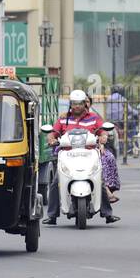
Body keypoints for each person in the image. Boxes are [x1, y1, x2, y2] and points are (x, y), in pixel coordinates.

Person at [45, 89, 117, 225]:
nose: (77, 106)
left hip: (88, 154)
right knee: (56, 182)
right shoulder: (63, 118)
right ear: (70, 104)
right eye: (74, 103)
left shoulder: (94, 118)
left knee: (99, 181)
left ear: (85, 103)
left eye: (79, 103)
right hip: (67, 154)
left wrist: (103, 137)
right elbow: (53, 133)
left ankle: (107, 213)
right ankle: (52, 215)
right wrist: (51, 139)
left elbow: (102, 131)